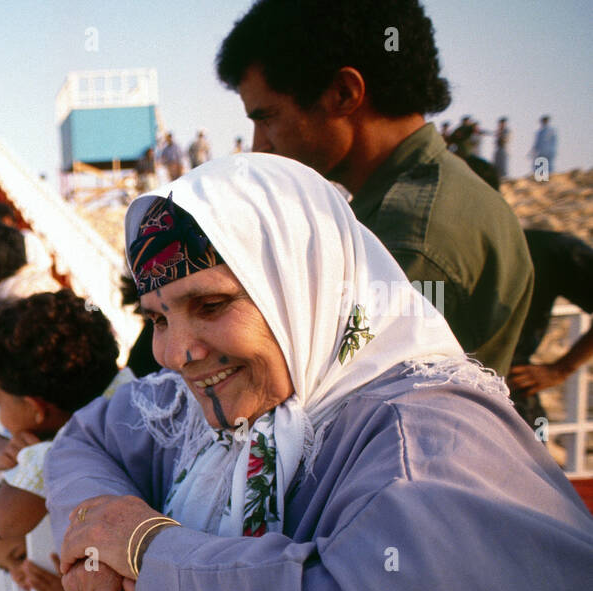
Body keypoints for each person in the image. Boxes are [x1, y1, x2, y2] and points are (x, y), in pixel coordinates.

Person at [46, 154, 593, 591]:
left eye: (212, 305)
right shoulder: (227, 408)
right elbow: (85, 435)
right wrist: (97, 515)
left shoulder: (420, 434)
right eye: (158, 317)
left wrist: (147, 547)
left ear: (300, 288)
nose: (177, 352)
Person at [216, 0, 534, 377]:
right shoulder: (403, 201)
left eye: (268, 118)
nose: (259, 145)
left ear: (344, 94)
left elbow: (338, 388)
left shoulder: (414, 234)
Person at [0, 289, 127, 540]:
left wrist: (28, 456)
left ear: (36, 409)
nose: (0, 414)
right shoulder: (126, 389)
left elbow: (6, 522)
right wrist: (2, 449)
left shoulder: (65, 448)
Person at [507, 229, 593, 427]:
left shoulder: (541, 248)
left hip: (515, 397)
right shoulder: (435, 248)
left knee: (534, 453)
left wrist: (560, 369)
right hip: (441, 395)